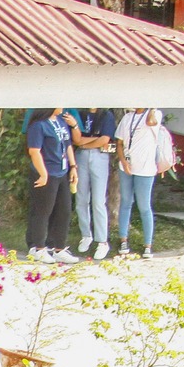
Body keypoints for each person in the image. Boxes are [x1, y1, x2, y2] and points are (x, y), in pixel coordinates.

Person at [23, 108, 77, 262]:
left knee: (64, 210)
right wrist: (43, 173)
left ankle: (59, 248)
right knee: (43, 211)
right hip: (47, 173)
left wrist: (73, 168)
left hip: (62, 172)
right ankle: (38, 247)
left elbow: (67, 146)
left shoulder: (61, 121)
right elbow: (34, 151)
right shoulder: (38, 125)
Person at [70, 107, 118, 259]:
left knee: (98, 201)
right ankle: (86, 235)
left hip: (99, 156)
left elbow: (105, 139)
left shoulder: (106, 115)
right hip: (81, 155)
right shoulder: (80, 113)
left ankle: (102, 241)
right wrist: (92, 141)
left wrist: (85, 143)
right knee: (81, 199)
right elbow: (76, 139)